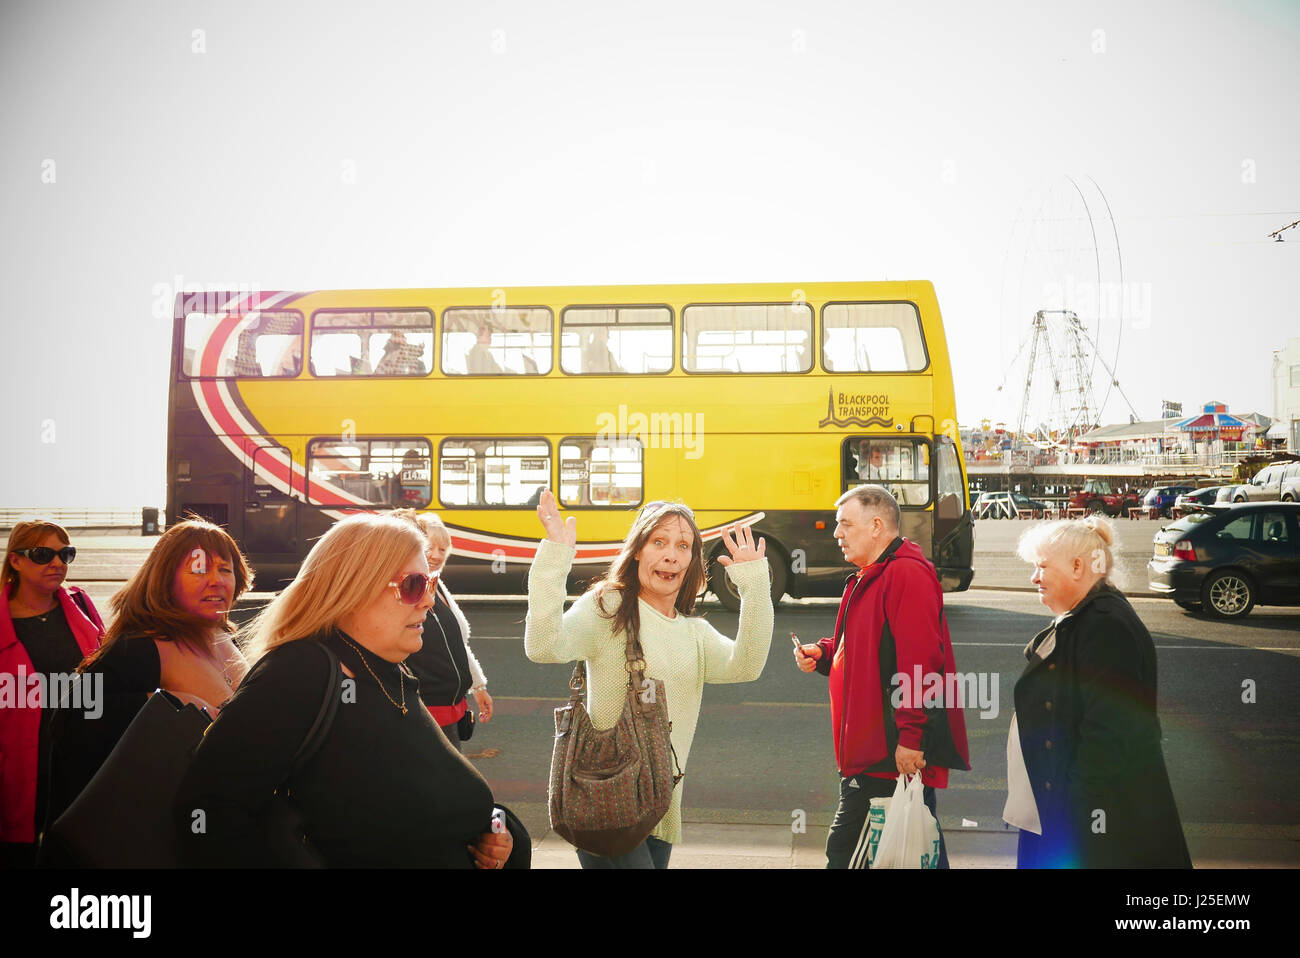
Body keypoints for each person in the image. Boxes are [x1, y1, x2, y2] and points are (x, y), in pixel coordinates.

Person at [174, 513, 524, 868]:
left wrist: (498, 827)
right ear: (354, 590)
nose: (429, 601)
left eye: (432, 584)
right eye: (414, 585)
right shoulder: (301, 671)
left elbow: (435, 796)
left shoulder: (390, 671)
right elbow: (207, 813)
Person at [525, 490, 774, 869]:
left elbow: (747, 664)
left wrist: (755, 586)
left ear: (691, 561)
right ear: (639, 549)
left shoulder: (694, 633)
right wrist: (555, 558)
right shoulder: (607, 606)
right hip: (608, 800)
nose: (671, 554)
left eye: (683, 545)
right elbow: (542, 645)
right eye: (659, 542)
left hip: (661, 806)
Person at [42, 518, 253, 841]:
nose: (216, 580)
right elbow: (70, 719)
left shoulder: (224, 636)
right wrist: (161, 704)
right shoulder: (141, 646)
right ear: (165, 579)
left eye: (225, 569)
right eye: (199, 569)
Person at [794, 485, 970, 869]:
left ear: (876, 525)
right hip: (873, 755)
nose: (836, 533)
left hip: (885, 757)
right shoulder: (873, 573)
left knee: (846, 854)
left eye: (844, 524)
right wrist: (824, 653)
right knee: (909, 851)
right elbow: (860, 644)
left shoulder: (904, 574)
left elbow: (920, 665)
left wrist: (911, 738)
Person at [1006, 516, 1191, 868]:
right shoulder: (1088, 617)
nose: (1034, 577)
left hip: (1096, 828)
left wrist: (1069, 814)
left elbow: (1108, 738)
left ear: (1078, 567)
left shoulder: (1105, 626)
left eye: (1042, 566)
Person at [0, 521, 105, 867]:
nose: (57, 563)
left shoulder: (82, 607)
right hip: (17, 771)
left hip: (81, 762)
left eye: (65, 554)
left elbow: (107, 676)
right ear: (15, 560)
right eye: (43, 554)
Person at [392, 509, 493, 750]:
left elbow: (457, 642)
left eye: (442, 548)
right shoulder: (407, 589)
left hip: (452, 707)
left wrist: (478, 686)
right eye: (430, 547)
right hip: (426, 710)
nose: (437, 555)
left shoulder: (438, 586)